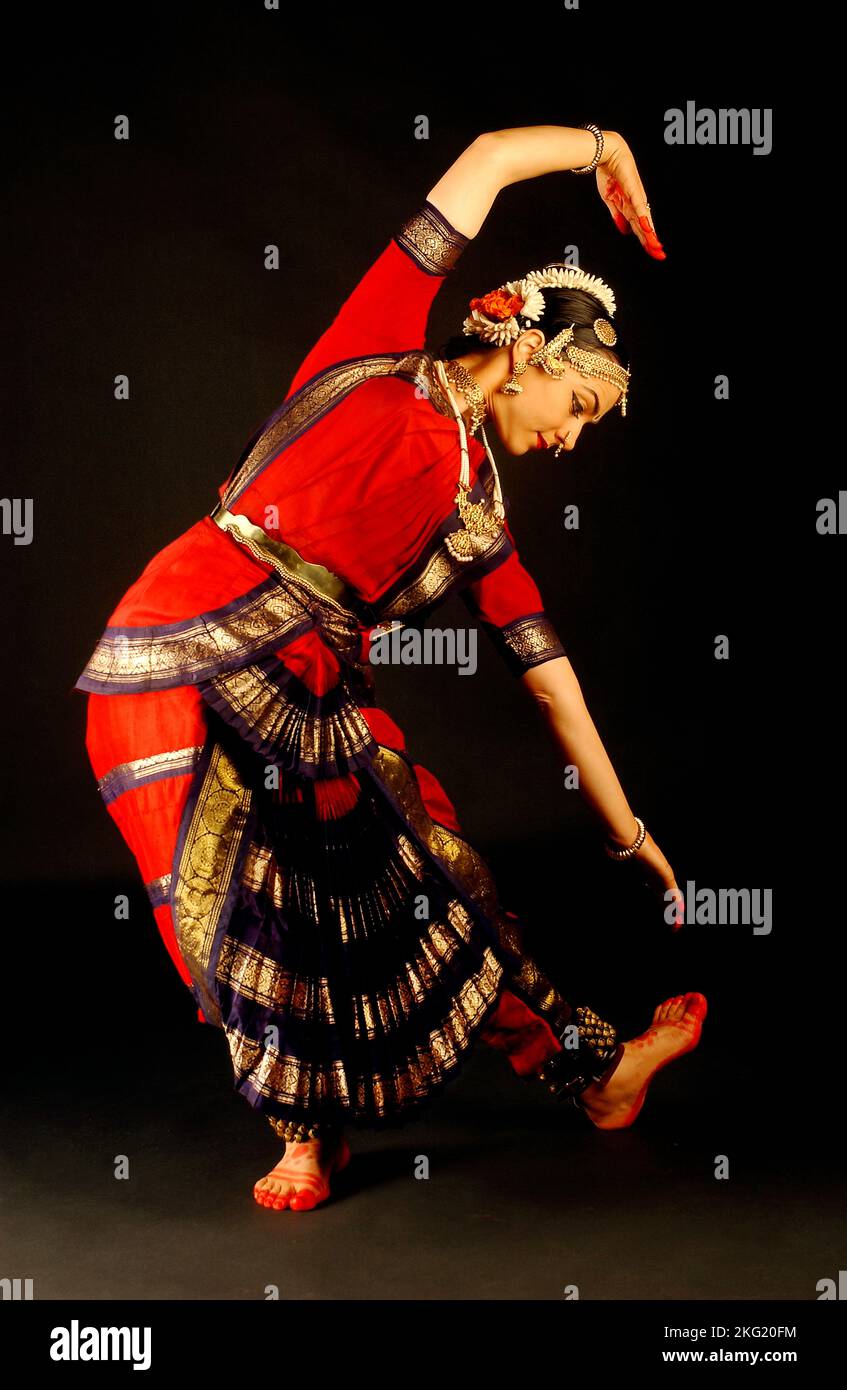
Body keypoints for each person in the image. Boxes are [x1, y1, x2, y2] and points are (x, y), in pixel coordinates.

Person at [74, 123, 707, 1215]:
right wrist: (600, 148)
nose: (572, 439)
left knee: (433, 879)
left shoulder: (480, 522)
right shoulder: (373, 348)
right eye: (582, 409)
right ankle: (299, 1129)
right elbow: (488, 158)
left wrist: (628, 830)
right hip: (167, 647)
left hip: (310, 696)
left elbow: (552, 683)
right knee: (216, 914)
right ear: (534, 352)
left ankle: (594, 1071)